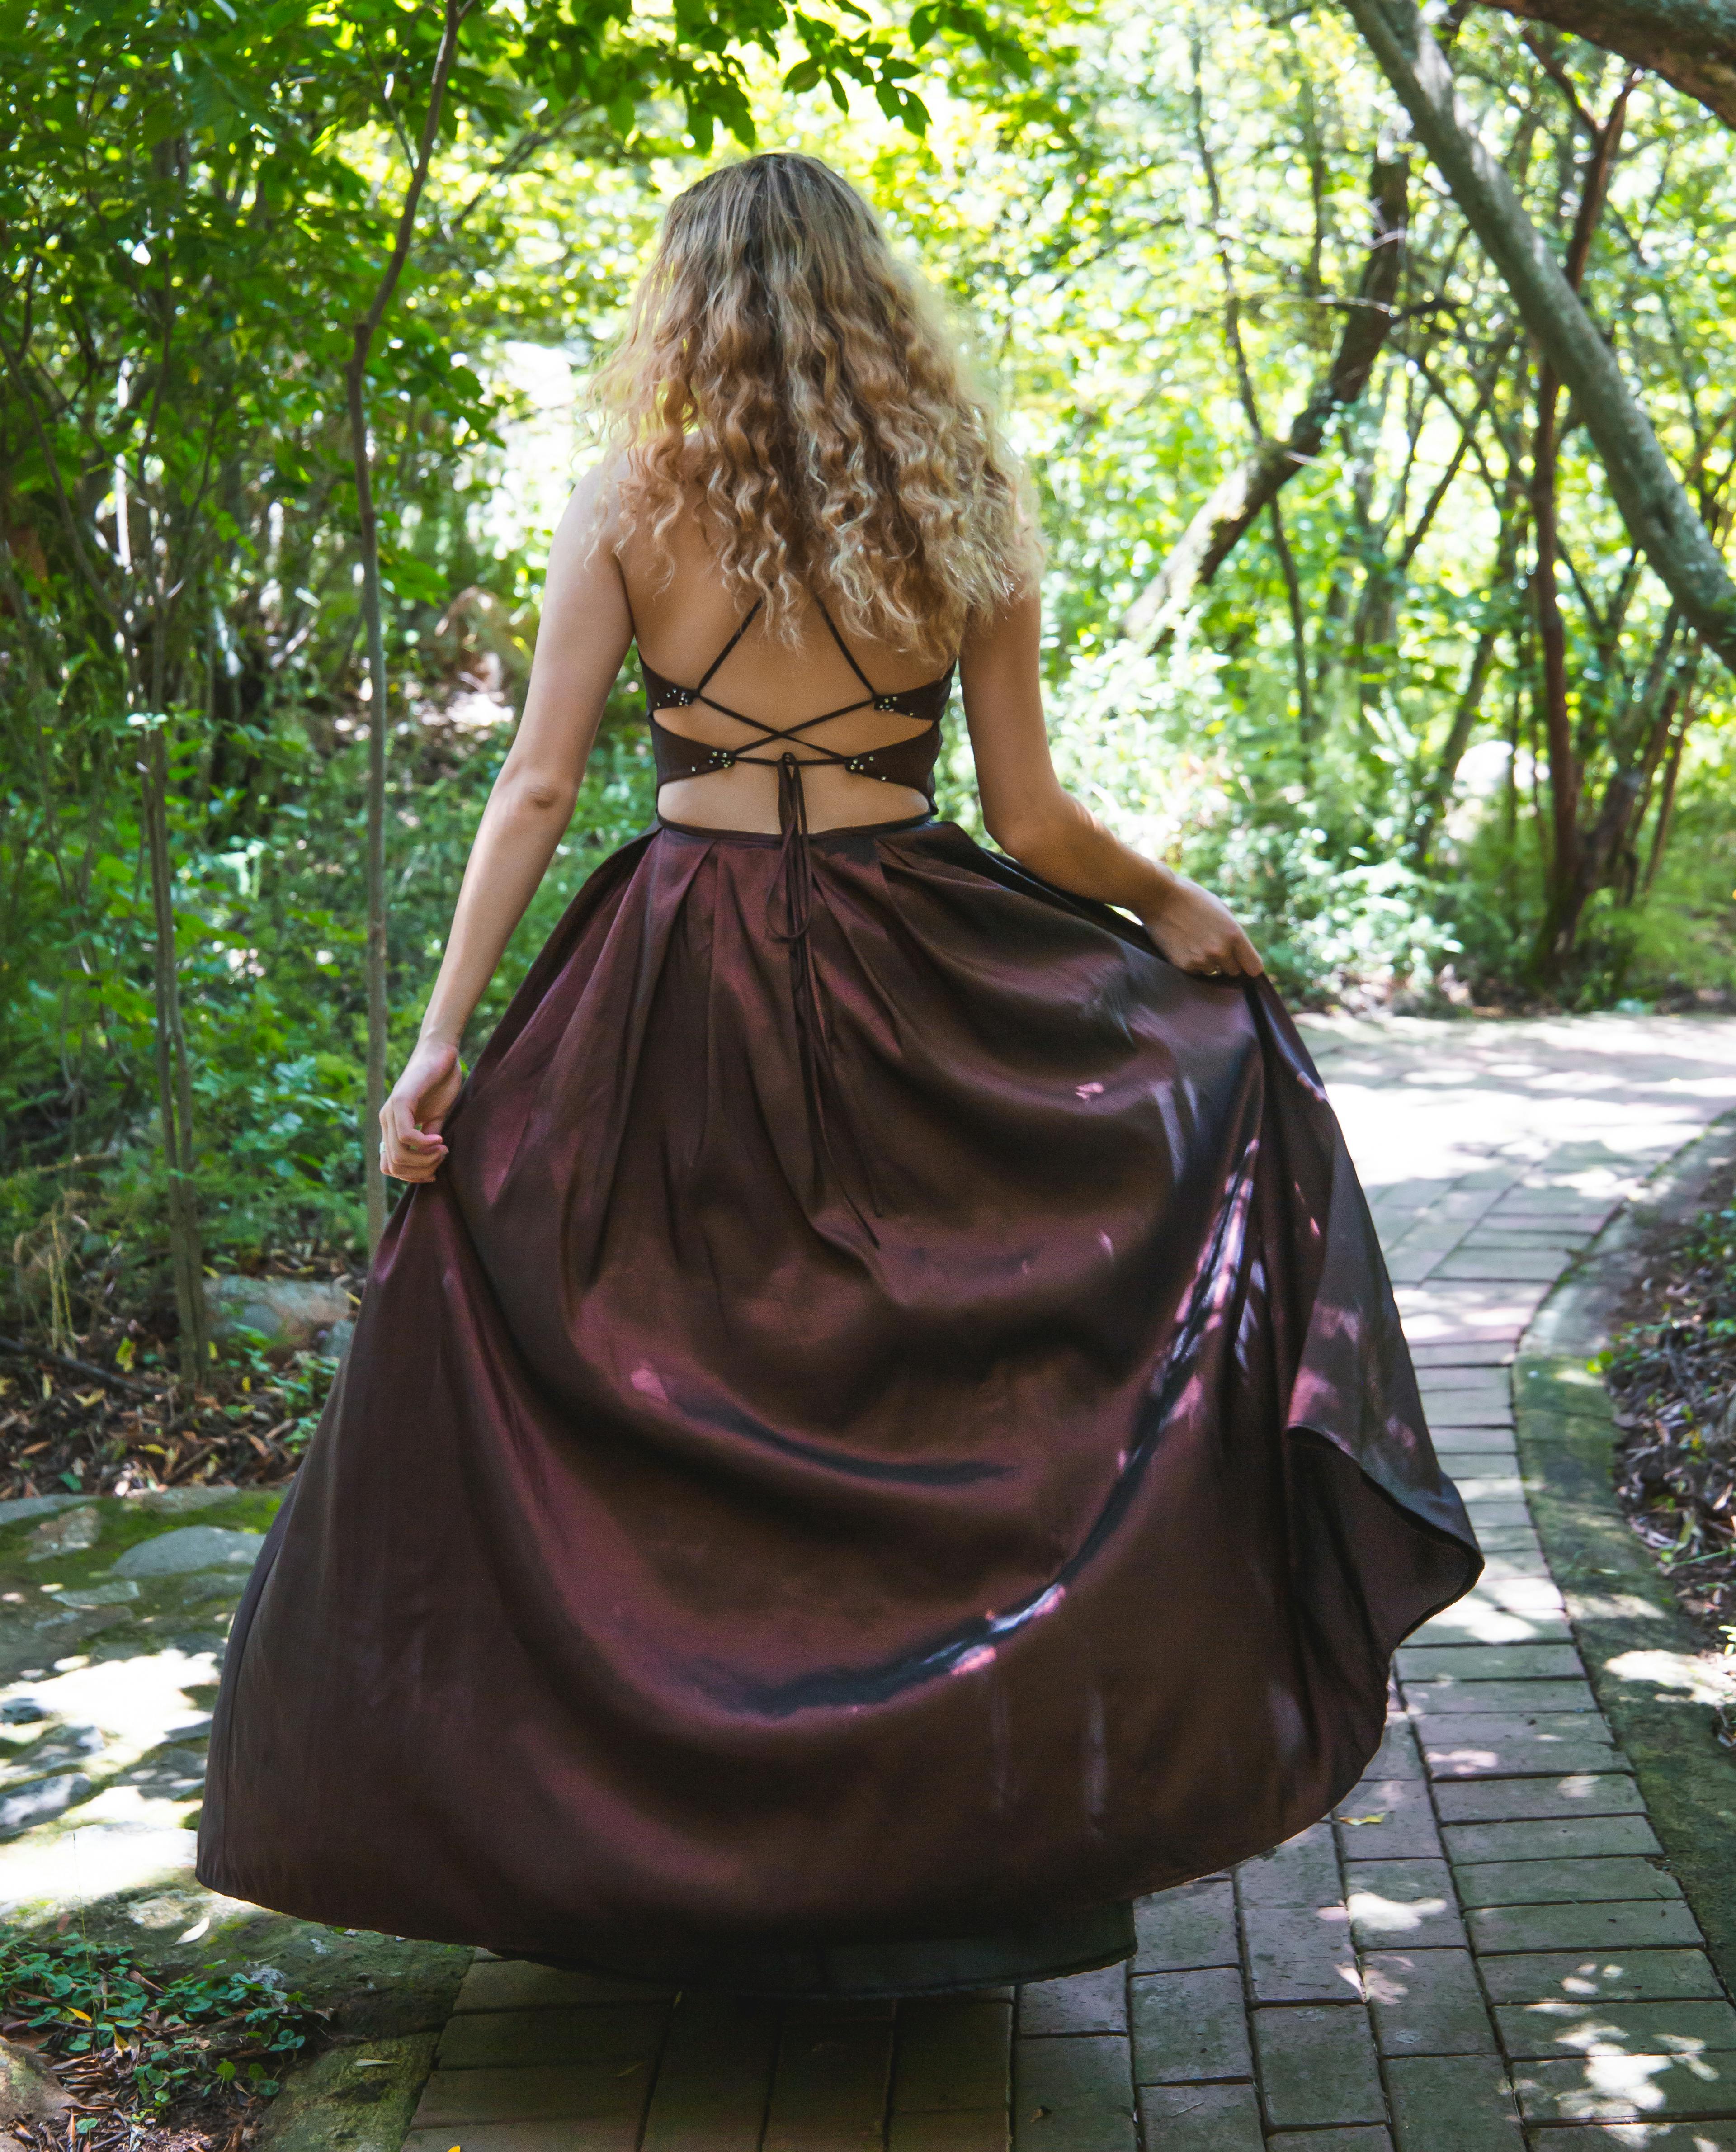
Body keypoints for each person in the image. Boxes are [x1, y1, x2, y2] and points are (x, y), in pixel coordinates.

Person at [198, 151, 1478, 1997]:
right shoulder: (959, 498)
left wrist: (440, 1041)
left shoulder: (631, 497)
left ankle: (661, 1834)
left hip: (677, 965)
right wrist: (1178, 908)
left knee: (662, 1369)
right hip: (915, 960)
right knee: (914, 1390)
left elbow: (542, 788)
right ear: (875, 301)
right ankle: (936, 1835)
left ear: (686, 306)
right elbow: (1031, 821)